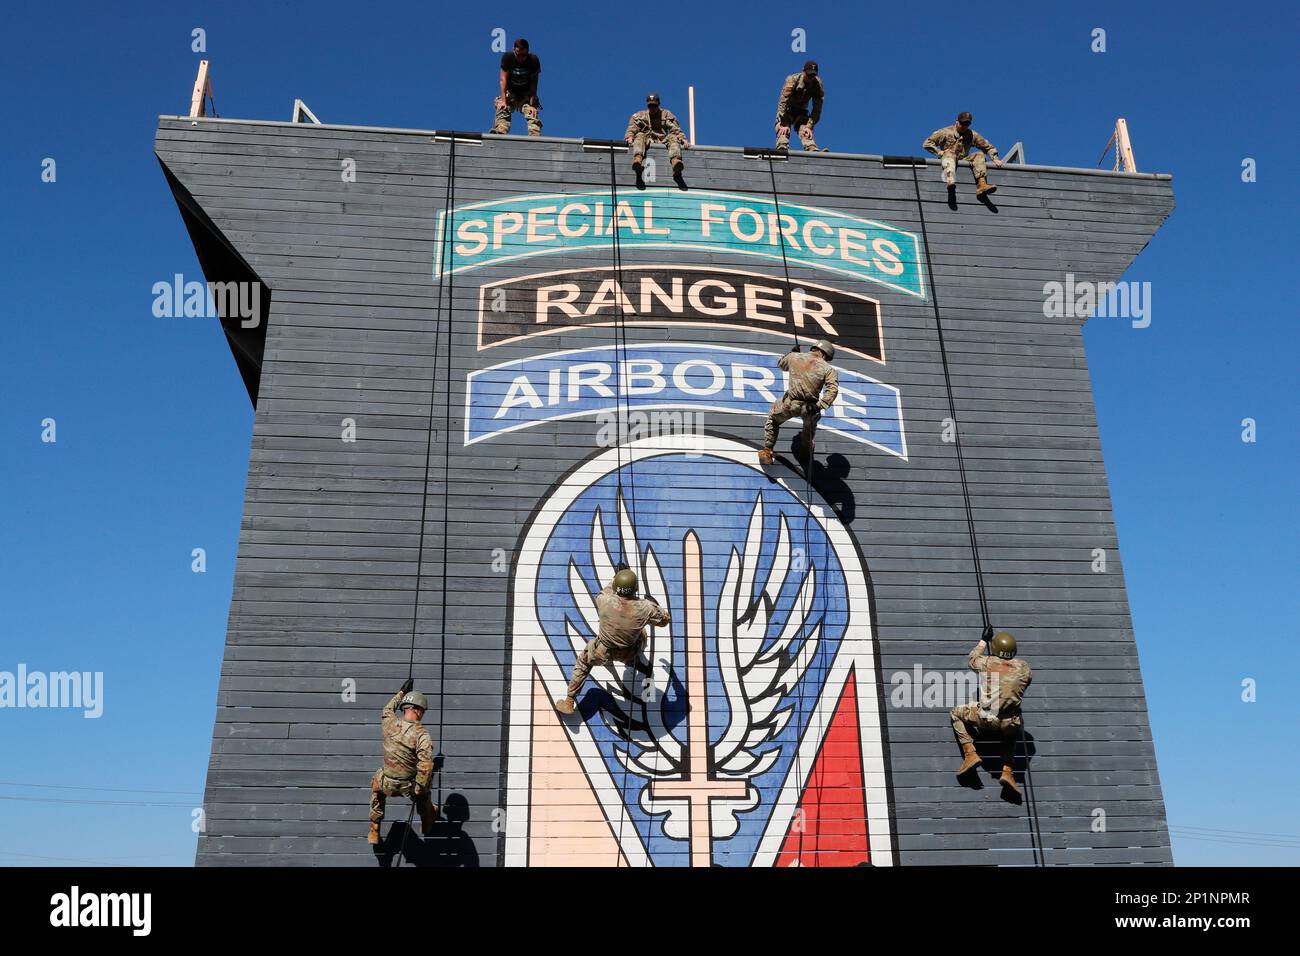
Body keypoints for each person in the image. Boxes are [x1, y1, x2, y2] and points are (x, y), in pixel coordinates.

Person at [555, 568, 670, 714]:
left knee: (583, 662)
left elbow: (608, 589)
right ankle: (632, 660)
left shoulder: (603, 600)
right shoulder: (646, 607)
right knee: (643, 633)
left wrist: (616, 575)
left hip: (602, 651)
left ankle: (569, 701)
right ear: (635, 588)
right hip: (629, 652)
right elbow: (664, 621)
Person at [949, 628, 1033, 795]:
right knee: (1014, 729)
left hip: (986, 718)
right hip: (1009, 722)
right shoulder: (1024, 668)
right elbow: (1025, 682)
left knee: (955, 713)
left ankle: (970, 754)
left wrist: (983, 640)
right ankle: (1008, 771)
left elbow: (972, 660)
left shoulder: (987, 662)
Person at [368, 678, 438, 843]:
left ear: (405, 708)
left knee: (377, 786)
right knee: (426, 788)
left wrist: (402, 692)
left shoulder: (388, 723)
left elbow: (387, 708)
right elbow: (425, 766)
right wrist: (420, 788)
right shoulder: (422, 734)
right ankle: (427, 820)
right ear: (418, 710)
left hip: (387, 784)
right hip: (409, 786)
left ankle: (374, 828)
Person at [758, 339, 839, 466]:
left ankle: (767, 452)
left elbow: (781, 364)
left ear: (814, 348)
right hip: (810, 408)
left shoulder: (794, 357)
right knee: (809, 431)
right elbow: (832, 390)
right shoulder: (828, 369)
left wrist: (792, 353)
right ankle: (806, 453)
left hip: (790, 404)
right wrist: (819, 406)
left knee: (773, 420)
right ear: (825, 354)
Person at [922, 111, 1003, 197]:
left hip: (963, 159)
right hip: (948, 159)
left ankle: (982, 184)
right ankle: (950, 182)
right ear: (957, 121)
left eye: (967, 124)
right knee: (949, 152)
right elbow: (927, 143)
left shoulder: (972, 135)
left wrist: (995, 158)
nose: (964, 126)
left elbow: (988, 147)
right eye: (962, 123)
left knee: (979, 155)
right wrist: (939, 152)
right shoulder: (945, 132)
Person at [625, 93, 689, 176]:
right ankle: (637, 160)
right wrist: (630, 136)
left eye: (654, 106)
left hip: (662, 140)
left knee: (672, 137)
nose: (652, 108)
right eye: (650, 106)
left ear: (658, 105)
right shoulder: (640, 116)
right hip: (646, 140)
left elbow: (675, 128)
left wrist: (682, 138)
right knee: (640, 135)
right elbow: (633, 127)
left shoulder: (666, 114)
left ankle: (676, 162)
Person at [492, 38, 542, 136]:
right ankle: (501, 131)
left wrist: (532, 104)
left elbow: (534, 82)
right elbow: (503, 80)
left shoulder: (533, 60)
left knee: (532, 112)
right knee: (502, 107)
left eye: (524, 56)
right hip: (511, 92)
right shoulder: (508, 58)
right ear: (514, 50)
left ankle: (534, 135)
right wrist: (503, 100)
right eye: (518, 55)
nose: (521, 58)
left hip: (526, 94)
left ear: (527, 52)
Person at [775, 60, 826, 152]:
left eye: (813, 75)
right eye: (809, 75)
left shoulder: (817, 85)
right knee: (783, 130)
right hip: (787, 110)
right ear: (803, 71)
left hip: (801, 111)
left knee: (806, 131)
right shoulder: (792, 80)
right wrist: (783, 123)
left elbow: (817, 108)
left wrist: (809, 126)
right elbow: (783, 102)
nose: (810, 78)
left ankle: (812, 149)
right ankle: (782, 147)